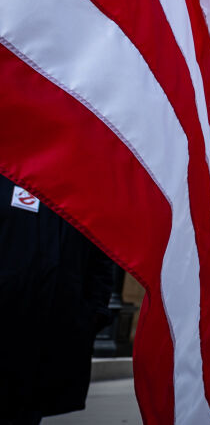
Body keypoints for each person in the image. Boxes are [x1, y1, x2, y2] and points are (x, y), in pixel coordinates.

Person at [0, 173, 117, 425]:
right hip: (7, 325)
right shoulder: (8, 173)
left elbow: (101, 260)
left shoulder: (80, 192)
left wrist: (91, 314)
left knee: (25, 413)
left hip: (48, 337)